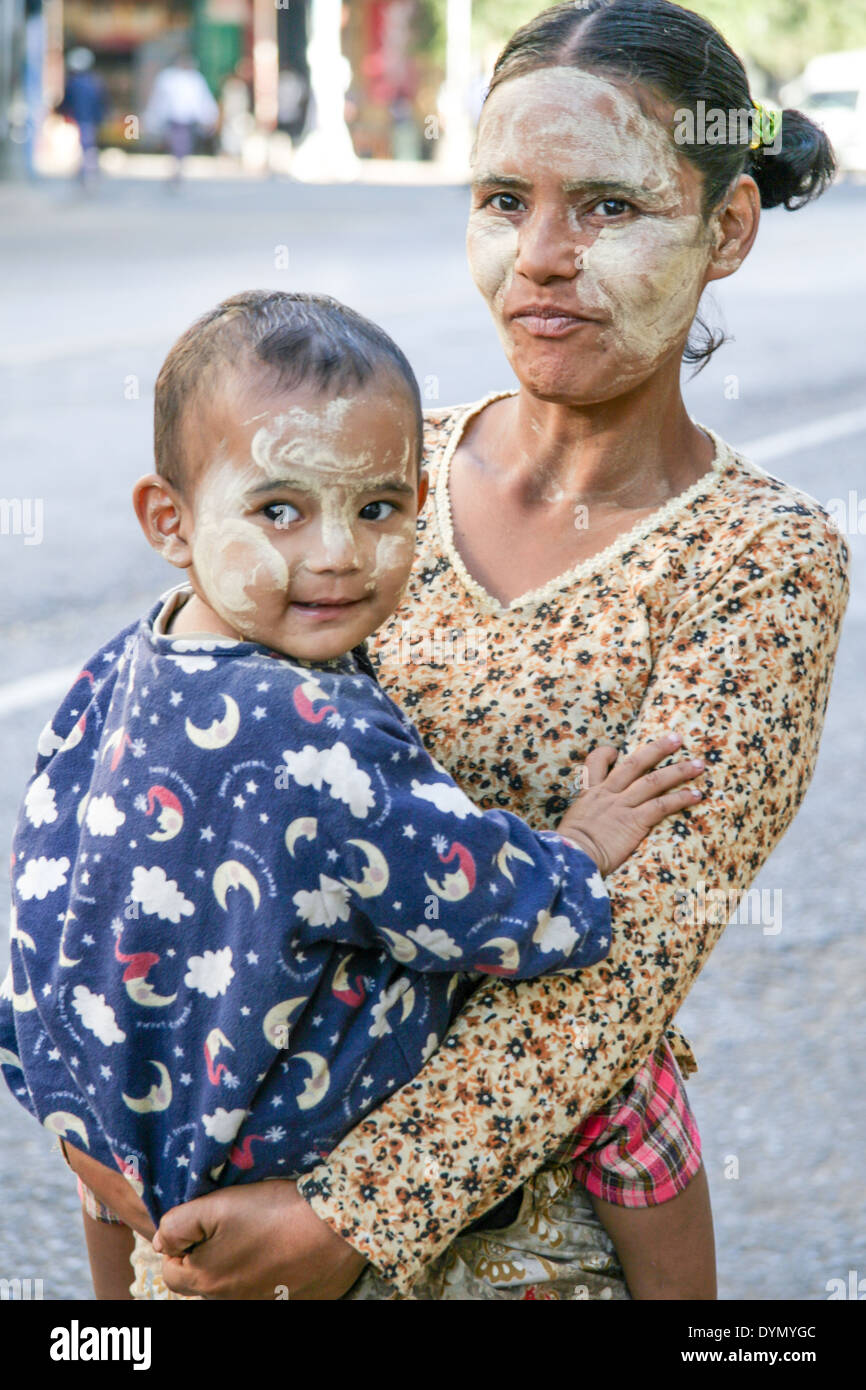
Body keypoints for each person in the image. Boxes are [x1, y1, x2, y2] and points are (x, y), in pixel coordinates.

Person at [90, 0, 847, 1303]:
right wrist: (99, 1115)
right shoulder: (370, 474)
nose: (540, 257)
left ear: (724, 228)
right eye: (504, 199)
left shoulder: (755, 560)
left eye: (605, 208)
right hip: (235, 1162)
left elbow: (618, 968)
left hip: (519, 1228)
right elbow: (161, 793)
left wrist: (342, 1219)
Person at [0, 290, 706, 1301]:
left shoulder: (119, 668)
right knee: (626, 1075)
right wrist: (582, 848)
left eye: (376, 508)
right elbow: (477, 900)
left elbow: (44, 877)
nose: (335, 552)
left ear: (419, 501)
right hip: (268, 1144)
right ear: (169, 518)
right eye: (278, 509)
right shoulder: (315, 734)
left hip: (119, 1109)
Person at [143, 52, 219, 187]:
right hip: (171, 119)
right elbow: (158, 100)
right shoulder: (168, 78)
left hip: (186, 120)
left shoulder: (194, 79)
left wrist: (208, 117)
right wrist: (153, 117)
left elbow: (202, 100)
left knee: (182, 145)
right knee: (175, 144)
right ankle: (176, 167)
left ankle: (178, 168)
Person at [57, 48, 107, 192]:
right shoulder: (95, 81)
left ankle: (88, 173)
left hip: (80, 118)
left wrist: (60, 111)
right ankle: (88, 172)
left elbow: (66, 102)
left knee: (86, 146)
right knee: (88, 146)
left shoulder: (73, 83)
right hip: (91, 119)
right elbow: (103, 102)